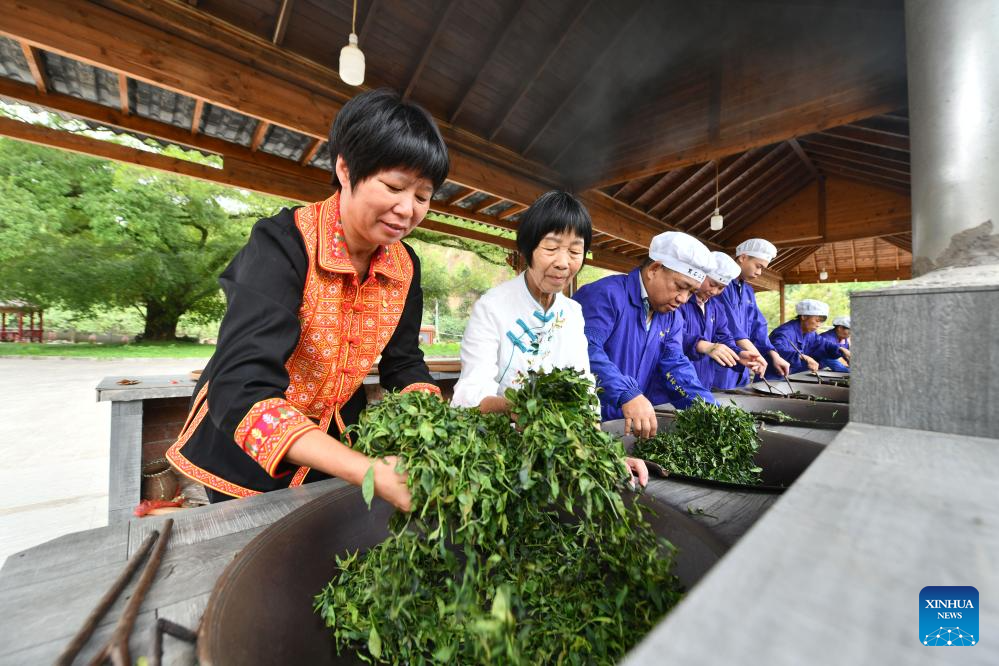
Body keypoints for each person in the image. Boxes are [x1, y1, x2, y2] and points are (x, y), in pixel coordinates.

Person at [167, 89, 448, 511]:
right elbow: (241, 387)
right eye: (393, 186)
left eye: (423, 197)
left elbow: (403, 362)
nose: (408, 209)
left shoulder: (405, 266)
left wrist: (433, 424)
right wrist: (368, 471)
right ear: (346, 169)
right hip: (245, 453)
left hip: (335, 447)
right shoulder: (282, 243)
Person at [452, 190, 648, 487]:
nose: (563, 263)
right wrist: (516, 407)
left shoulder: (573, 313)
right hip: (493, 456)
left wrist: (603, 455)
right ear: (528, 248)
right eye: (551, 248)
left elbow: (583, 391)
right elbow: (471, 393)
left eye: (574, 251)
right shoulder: (492, 307)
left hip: (554, 456)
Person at [574, 231, 718, 439]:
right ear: (654, 269)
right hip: (587, 422)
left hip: (624, 427)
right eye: (680, 287)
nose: (683, 299)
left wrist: (708, 408)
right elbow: (584, 349)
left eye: (691, 292)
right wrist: (626, 392)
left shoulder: (671, 317)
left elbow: (674, 365)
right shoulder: (606, 295)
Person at [680, 251, 767, 389]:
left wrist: (739, 354)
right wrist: (703, 345)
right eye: (712, 284)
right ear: (701, 276)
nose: (714, 292)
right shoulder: (680, 302)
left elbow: (724, 338)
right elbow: (672, 336)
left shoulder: (715, 307)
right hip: (677, 380)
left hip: (703, 382)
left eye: (721, 288)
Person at [713, 238, 791, 388]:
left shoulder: (748, 290)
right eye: (758, 266)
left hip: (743, 363)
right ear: (743, 257)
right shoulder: (722, 286)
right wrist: (759, 357)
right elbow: (733, 329)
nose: (759, 272)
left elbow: (758, 326)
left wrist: (774, 356)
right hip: (722, 363)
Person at [766, 300, 851, 378]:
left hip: (792, 376)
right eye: (817, 320)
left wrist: (841, 349)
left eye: (821, 322)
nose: (819, 325)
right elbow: (776, 350)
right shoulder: (785, 332)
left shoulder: (810, 333)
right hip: (773, 378)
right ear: (803, 316)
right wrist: (803, 357)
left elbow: (824, 344)